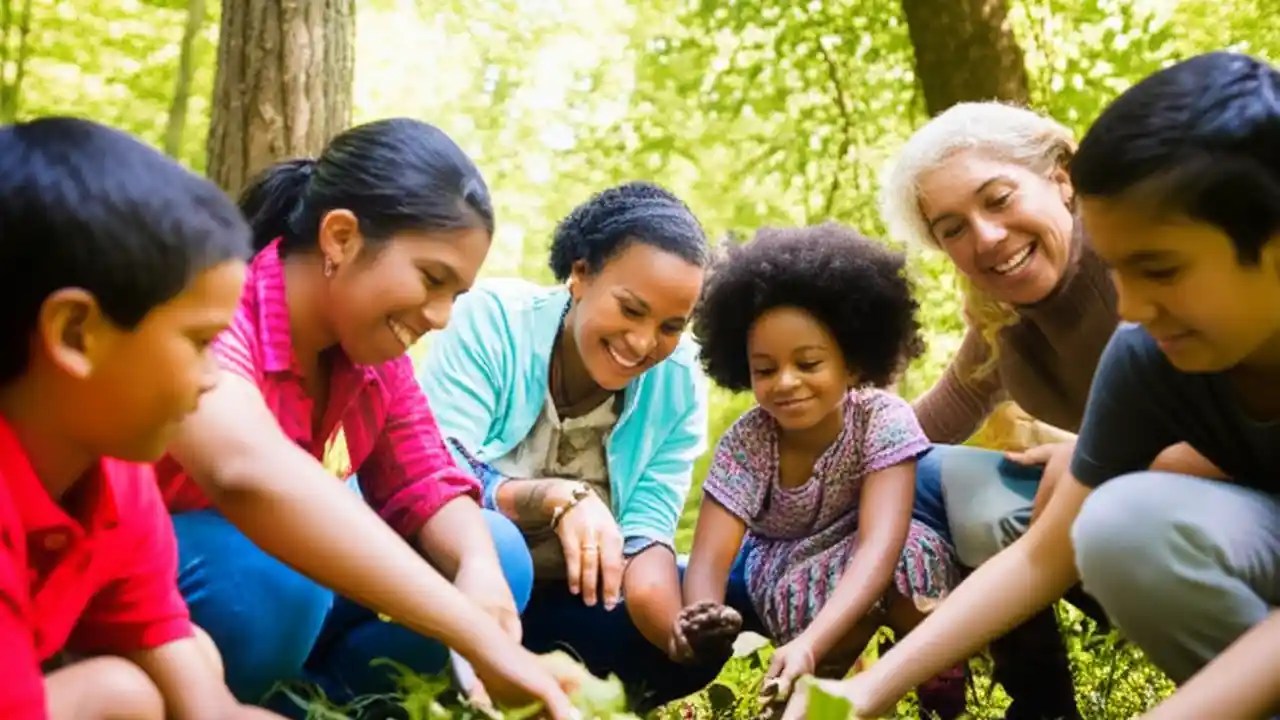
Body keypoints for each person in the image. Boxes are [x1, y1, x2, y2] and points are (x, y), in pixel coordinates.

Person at [784, 50, 1280, 720]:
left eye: (1158, 269)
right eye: (951, 227)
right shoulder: (1142, 348)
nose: (1129, 309)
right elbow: (1041, 557)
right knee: (1115, 522)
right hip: (1225, 528)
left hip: (1219, 509)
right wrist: (867, 689)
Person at [154, 118, 575, 718]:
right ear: (342, 238)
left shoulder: (375, 359)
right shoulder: (221, 312)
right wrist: (473, 632)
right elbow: (247, 471)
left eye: (456, 294)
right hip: (175, 584)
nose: (440, 316)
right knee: (275, 579)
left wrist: (478, 570)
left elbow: (426, 481)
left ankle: (319, 703)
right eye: (432, 279)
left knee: (499, 553)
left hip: (292, 602)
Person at [879, 99, 1220, 718]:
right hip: (1121, 509)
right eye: (951, 227)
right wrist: (827, 443)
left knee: (1105, 504)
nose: (985, 236)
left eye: (999, 198)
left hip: (1226, 507)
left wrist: (1106, 461)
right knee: (921, 475)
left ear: (1060, 178)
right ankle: (1043, 708)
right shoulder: (1001, 316)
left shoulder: (1154, 260)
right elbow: (937, 414)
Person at [0, 117, 281, 719]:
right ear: (76, 333)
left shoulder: (111, 479)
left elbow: (204, 699)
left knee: (181, 662)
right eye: (200, 341)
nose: (213, 377)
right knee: (117, 696)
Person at [419, 181, 716, 711]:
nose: (644, 342)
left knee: (714, 589)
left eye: (671, 326)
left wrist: (677, 634)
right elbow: (432, 466)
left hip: (564, 604)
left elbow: (647, 534)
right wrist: (556, 496)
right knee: (497, 545)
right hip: (452, 582)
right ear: (580, 275)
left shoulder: (678, 382)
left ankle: (546, 694)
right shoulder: (493, 320)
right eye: (630, 309)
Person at [679, 225, 967, 718]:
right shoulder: (749, 443)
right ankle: (815, 695)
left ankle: (934, 687)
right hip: (787, 570)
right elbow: (709, 557)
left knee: (916, 553)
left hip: (874, 551)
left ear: (853, 363)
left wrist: (812, 639)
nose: (786, 383)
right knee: (823, 590)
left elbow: (882, 542)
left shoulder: (881, 418)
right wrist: (703, 613)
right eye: (765, 370)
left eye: (808, 363)